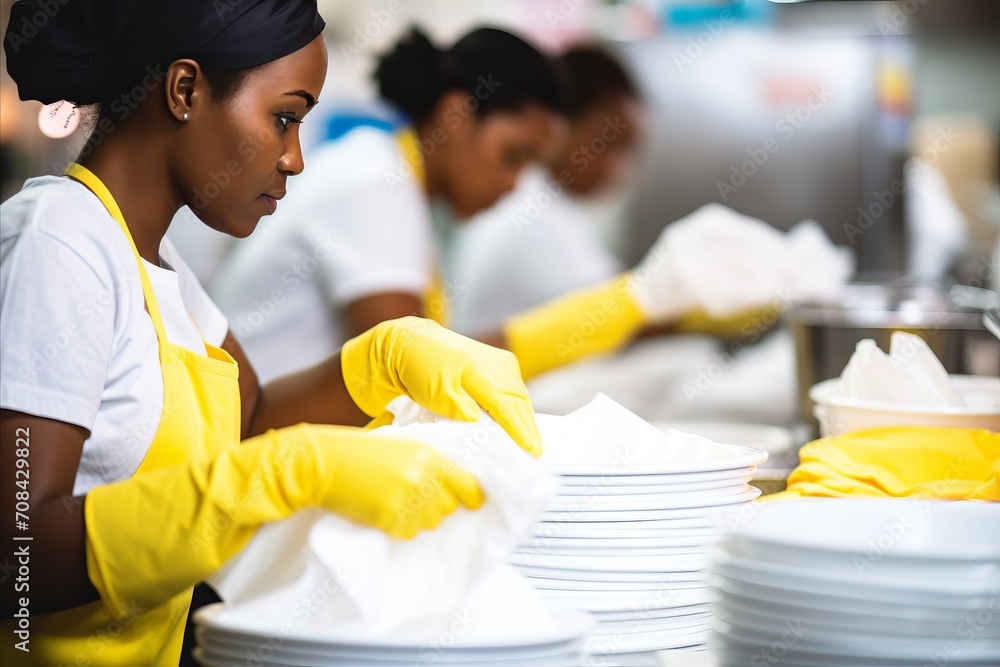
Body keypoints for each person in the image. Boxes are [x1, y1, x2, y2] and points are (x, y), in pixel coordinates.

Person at [0, 2, 542, 664]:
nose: (295, 159)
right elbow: (16, 557)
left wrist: (380, 364)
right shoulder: (58, 240)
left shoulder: (166, 273)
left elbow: (250, 419)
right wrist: (285, 475)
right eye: (284, 118)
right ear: (184, 90)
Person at [212, 27, 798, 388]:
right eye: (512, 155)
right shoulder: (375, 182)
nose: (517, 185)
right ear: (456, 116)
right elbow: (416, 369)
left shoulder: (409, 192)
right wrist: (630, 303)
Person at [445, 45, 642, 334]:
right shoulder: (529, 208)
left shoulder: (548, 202)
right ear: (562, 126)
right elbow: (627, 317)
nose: (619, 171)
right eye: (607, 143)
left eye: (628, 152)